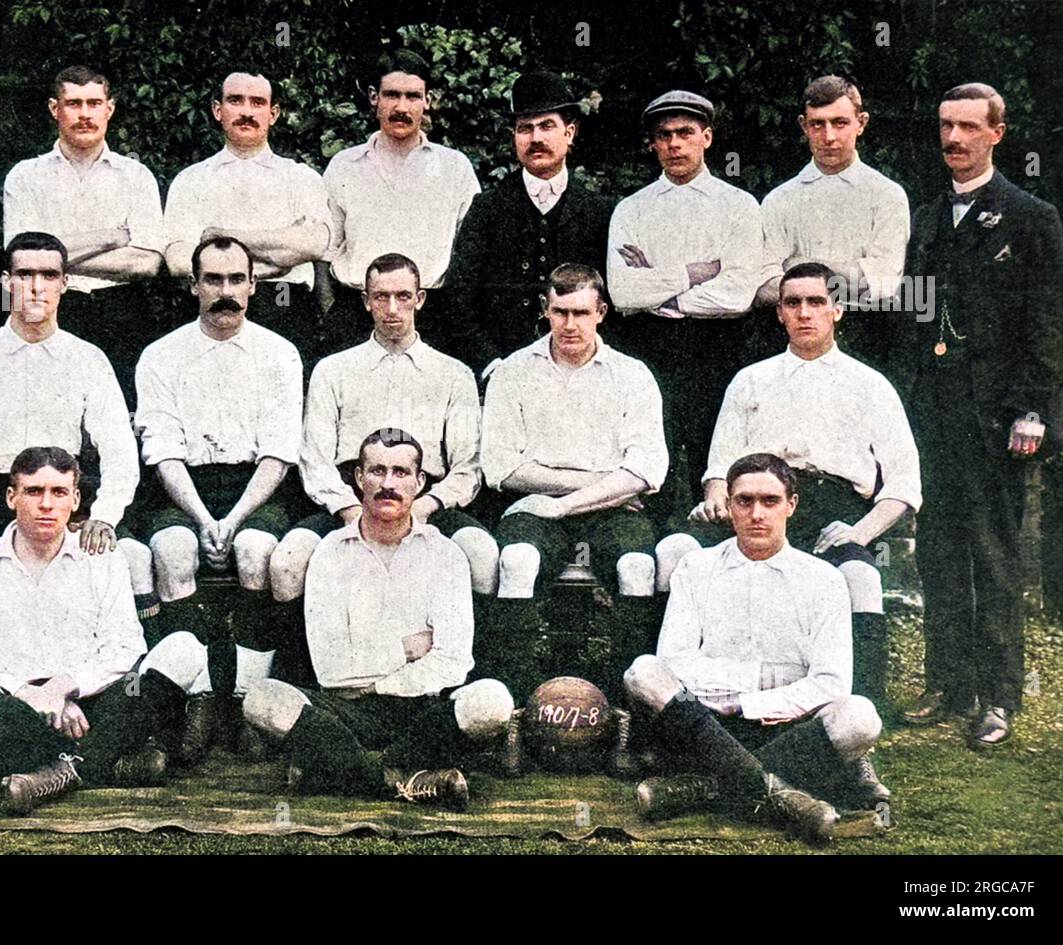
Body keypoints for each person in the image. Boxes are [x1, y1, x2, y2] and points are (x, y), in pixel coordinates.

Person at [0, 232, 148, 715]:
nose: (36, 287)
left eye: (49, 275)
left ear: (64, 285)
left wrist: (106, 516)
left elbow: (120, 453)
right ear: (5, 282)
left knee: (135, 560)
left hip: (61, 501)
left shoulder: (89, 360)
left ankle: (126, 718)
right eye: (24, 275)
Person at [0, 447, 212, 815]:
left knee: (184, 649)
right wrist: (30, 694)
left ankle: (62, 772)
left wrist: (64, 685)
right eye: (34, 491)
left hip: (91, 706)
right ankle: (101, 762)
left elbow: (126, 647)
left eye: (59, 492)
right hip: (15, 711)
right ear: (11, 497)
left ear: (75, 499)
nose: (46, 504)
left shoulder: (101, 557)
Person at [902, 83, 1063, 749]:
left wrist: (1033, 409)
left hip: (999, 419)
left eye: (969, 127)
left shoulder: (1031, 217)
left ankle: (999, 696)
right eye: (946, 126)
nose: (955, 138)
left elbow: (1050, 323)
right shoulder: (925, 216)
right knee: (939, 554)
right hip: (933, 417)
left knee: (994, 556)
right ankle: (949, 682)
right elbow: (916, 316)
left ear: (997, 133)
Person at [666, 262, 921, 706]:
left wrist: (859, 532)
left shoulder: (870, 385)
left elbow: (904, 484)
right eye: (793, 303)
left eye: (816, 302)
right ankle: (668, 705)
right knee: (677, 552)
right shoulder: (750, 380)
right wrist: (714, 499)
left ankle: (855, 714)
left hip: (830, 509)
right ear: (780, 313)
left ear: (837, 310)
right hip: (753, 504)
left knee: (859, 574)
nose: (805, 313)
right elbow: (719, 465)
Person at [242, 429, 516, 809]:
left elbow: (454, 663)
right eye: (377, 471)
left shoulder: (446, 555)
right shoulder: (329, 554)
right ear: (358, 478)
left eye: (401, 473)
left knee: (492, 701)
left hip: (422, 709)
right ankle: (397, 779)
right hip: (346, 710)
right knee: (263, 698)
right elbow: (331, 669)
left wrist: (377, 678)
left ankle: (339, 768)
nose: (388, 484)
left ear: (420, 483)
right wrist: (407, 646)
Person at [624, 453, 887, 846]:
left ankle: (707, 788)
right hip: (706, 724)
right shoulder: (697, 567)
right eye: (744, 501)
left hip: (788, 729)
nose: (757, 514)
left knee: (860, 718)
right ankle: (781, 794)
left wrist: (751, 704)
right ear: (729, 506)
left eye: (770, 501)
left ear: (791, 505)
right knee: (642, 672)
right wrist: (757, 684)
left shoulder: (824, 580)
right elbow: (674, 663)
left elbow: (831, 683)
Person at [270, 253, 498, 666]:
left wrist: (426, 507)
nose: (392, 309)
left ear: (421, 299)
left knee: (482, 556)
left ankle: (468, 676)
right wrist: (348, 510)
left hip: (427, 500)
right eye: (381, 297)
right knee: (287, 564)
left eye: (402, 297)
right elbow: (315, 458)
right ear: (365, 300)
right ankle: (299, 679)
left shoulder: (454, 374)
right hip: (350, 499)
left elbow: (468, 465)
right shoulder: (332, 370)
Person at [135, 234, 303, 740]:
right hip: (183, 486)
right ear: (194, 286)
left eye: (236, 279)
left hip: (256, 487)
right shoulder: (161, 356)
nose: (225, 291)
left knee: (255, 550)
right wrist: (206, 520)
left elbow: (278, 452)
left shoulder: (280, 355)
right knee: (172, 548)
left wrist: (231, 520)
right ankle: (198, 698)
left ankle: (247, 700)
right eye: (213, 280)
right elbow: (162, 449)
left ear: (254, 286)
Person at [479, 263, 668, 699]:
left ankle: (626, 707)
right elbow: (502, 469)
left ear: (601, 311)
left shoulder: (632, 375)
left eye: (581, 313)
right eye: (560, 312)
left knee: (637, 567)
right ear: (546, 310)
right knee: (517, 561)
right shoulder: (513, 371)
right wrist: (604, 479)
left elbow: (645, 470)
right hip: (533, 510)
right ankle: (516, 704)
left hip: (607, 512)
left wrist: (562, 502)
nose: (569, 324)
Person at [606, 90, 763, 515]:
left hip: (715, 347)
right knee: (650, 459)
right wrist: (695, 272)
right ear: (653, 144)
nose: (674, 144)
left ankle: (715, 554)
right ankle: (649, 559)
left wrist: (660, 288)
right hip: (648, 346)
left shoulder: (738, 207)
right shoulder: (631, 209)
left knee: (712, 458)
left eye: (685, 133)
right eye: (664, 135)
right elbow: (623, 293)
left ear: (706, 137)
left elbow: (738, 292)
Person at [3, 65, 165, 409]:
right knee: (48, 413)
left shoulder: (136, 177)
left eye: (94, 103)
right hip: (51, 311)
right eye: (74, 103)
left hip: (122, 315)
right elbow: (22, 257)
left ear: (110, 108)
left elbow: (147, 262)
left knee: (119, 417)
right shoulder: (26, 177)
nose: (85, 114)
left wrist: (55, 252)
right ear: (54, 108)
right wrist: (110, 237)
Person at [443, 71, 616, 378]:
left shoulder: (600, 212)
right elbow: (459, 299)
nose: (536, 138)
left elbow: (612, 303)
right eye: (525, 128)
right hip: (504, 371)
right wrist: (491, 366)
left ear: (570, 133)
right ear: (515, 137)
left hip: (584, 372)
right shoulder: (487, 209)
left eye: (547, 126)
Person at [163, 69, 330, 367]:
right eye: (235, 101)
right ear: (218, 110)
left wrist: (219, 237)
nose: (246, 112)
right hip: (213, 307)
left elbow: (315, 245)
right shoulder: (191, 180)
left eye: (257, 103)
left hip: (283, 303)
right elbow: (178, 260)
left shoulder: (300, 178)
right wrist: (281, 253)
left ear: (273, 113)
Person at [320, 50, 480, 358]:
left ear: (427, 101)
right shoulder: (344, 166)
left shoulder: (454, 167)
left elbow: (469, 254)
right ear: (373, 98)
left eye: (412, 96)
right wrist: (330, 311)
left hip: (433, 317)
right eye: (392, 95)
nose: (401, 107)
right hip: (355, 316)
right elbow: (325, 251)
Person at [755, 75, 910, 372]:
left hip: (866, 338)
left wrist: (797, 277)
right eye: (818, 124)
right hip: (789, 339)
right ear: (804, 126)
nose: (828, 137)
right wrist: (846, 278)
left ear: (861, 123)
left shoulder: (887, 195)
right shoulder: (780, 199)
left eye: (840, 123)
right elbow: (762, 287)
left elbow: (884, 285)